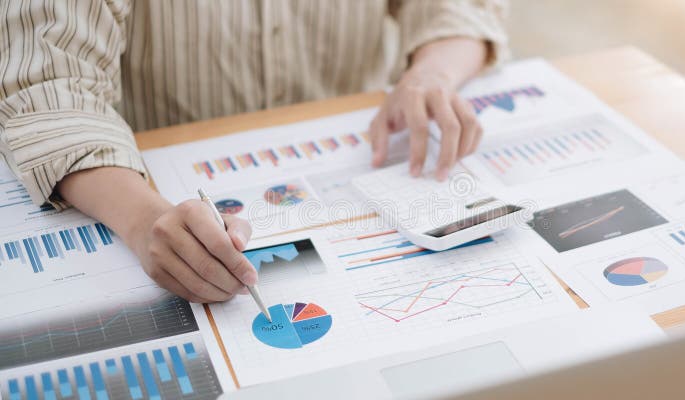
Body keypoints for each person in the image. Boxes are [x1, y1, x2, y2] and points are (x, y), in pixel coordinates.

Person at [0, 1, 508, 303]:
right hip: (155, 184)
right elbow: (50, 82)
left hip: (352, 163)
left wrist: (432, 72)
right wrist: (142, 219)